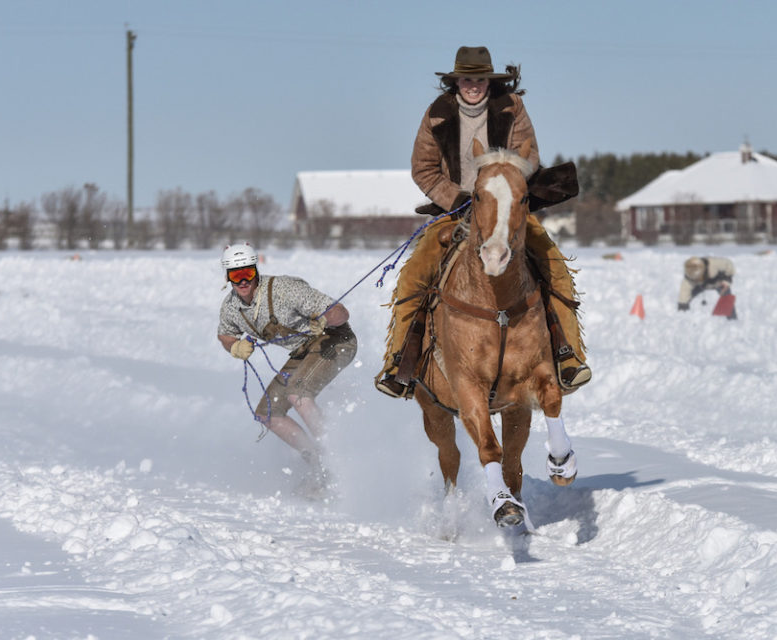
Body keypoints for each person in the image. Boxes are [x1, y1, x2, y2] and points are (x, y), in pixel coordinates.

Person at [374, 45, 588, 398]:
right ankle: (401, 363)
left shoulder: (511, 106)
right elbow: (423, 169)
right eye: (466, 80)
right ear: (456, 81)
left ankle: (568, 356)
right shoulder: (437, 114)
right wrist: (458, 199)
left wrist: (500, 186)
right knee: (414, 276)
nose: (473, 86)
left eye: (479, 80)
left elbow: (530, 155)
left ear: (490, 81)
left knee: (554, 265)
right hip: (455, 211)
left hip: (505, 208)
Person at [217, 242, 356, 475]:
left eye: (247, 273)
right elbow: (225, 334)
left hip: (335, 340)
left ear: (256, 271)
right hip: (302, 352)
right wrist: (234, 347)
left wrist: (324, 318)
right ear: (227, 277)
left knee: (297, 394)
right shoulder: (232, 307)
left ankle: (340, 461)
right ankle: (319, 466)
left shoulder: (284, 289)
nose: (242, 282)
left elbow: (341, 312)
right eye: (236, 275)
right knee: (267, 413)